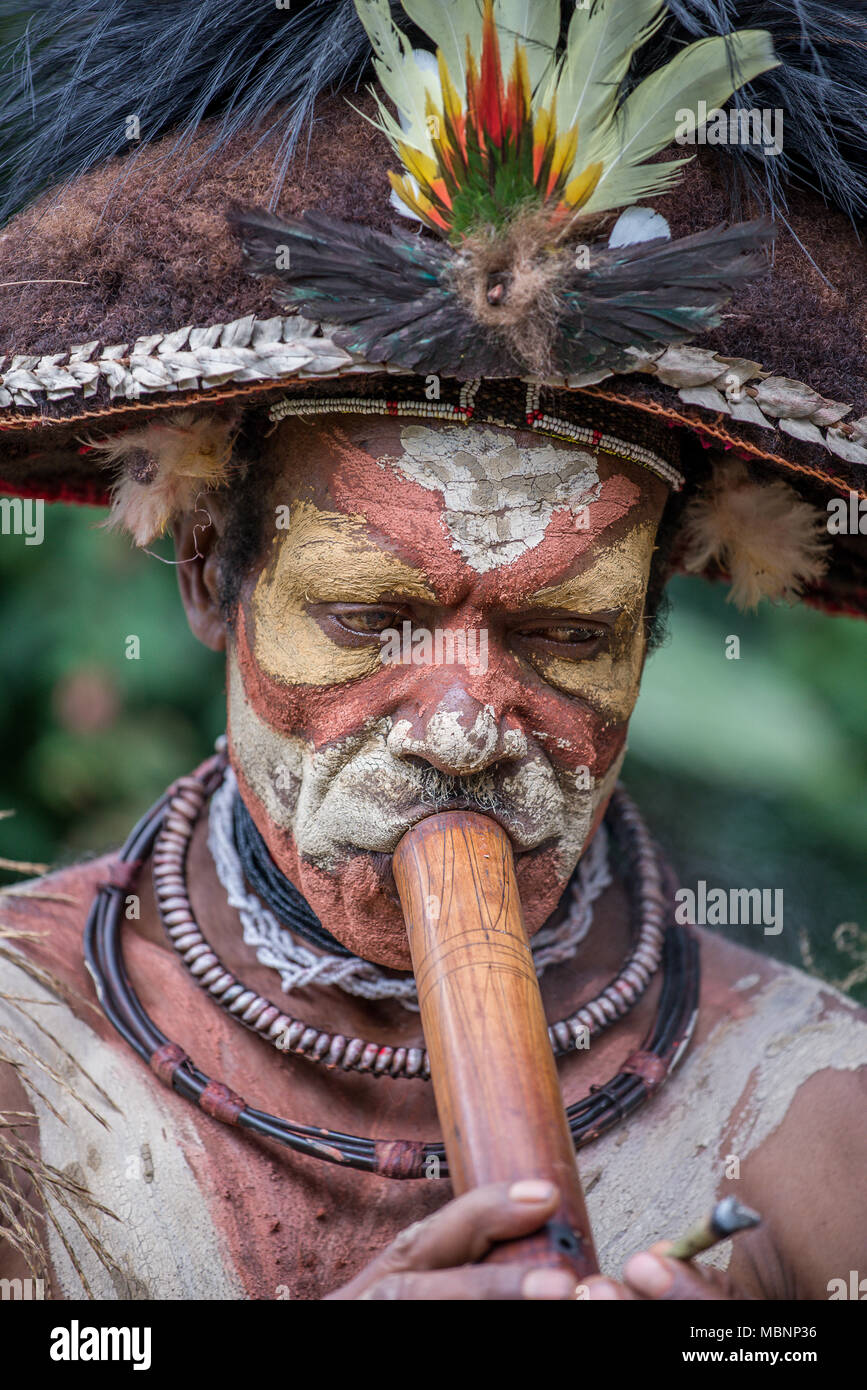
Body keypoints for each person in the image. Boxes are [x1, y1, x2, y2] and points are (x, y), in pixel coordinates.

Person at [0, 0, 864, 1302]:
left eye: (566, 632)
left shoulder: (818, 1128)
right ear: (208, 574)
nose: (465, 728)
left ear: (653, 623)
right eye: (365, 616)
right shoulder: (24, 1066)